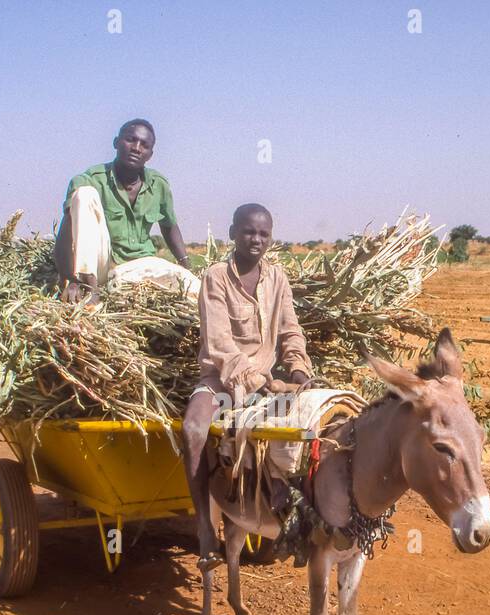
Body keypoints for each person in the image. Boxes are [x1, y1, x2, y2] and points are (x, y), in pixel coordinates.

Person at [181, 203, 313, 572]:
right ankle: (205, 528)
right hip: (222, 381)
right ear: (233, 234)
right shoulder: (216, 276)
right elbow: (221, 344)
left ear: (271, 238)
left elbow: (290, 330)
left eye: (263, 234)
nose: (256, 239)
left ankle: (292, 521)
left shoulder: (278, 279)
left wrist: (300, 371)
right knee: (193, 429)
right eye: (248, 232)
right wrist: (260, 382)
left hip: (267, 382)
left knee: (304, 436)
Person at [53, 119, 200, 303]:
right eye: (131, 140)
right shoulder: (91, 179)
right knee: (84, 194)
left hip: (138, 265)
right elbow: (65, 232)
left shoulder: (158, 184)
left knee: (194, 288)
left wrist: (186, 265)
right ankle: (89, 286)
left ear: (150, 154)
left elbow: (169, 227)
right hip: (101, 265)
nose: (136, 148)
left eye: (144, 145)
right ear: (116, 142)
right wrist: (69, 278)